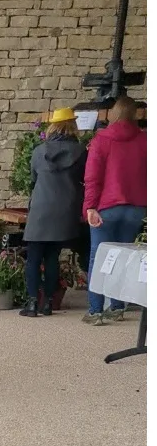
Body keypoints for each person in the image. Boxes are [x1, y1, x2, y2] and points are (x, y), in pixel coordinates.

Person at [83, 93, 146, 322]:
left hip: (107, 207)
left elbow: (92, 177)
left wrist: (90, 206)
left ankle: (95, 310)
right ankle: (117, 307)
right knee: (123, 256)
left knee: (98, 257)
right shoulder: (146, 140)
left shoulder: (102, 140)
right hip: (137, 207)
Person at [20, 107, 86, 317]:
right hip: (65, 211)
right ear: (72, 125)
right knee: (52, 258)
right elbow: (86, 180)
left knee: (33, 258)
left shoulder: (40, 151)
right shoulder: (81, 152)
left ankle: (31, 303)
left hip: (41, 209)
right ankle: (48, 303)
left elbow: (33, 179)